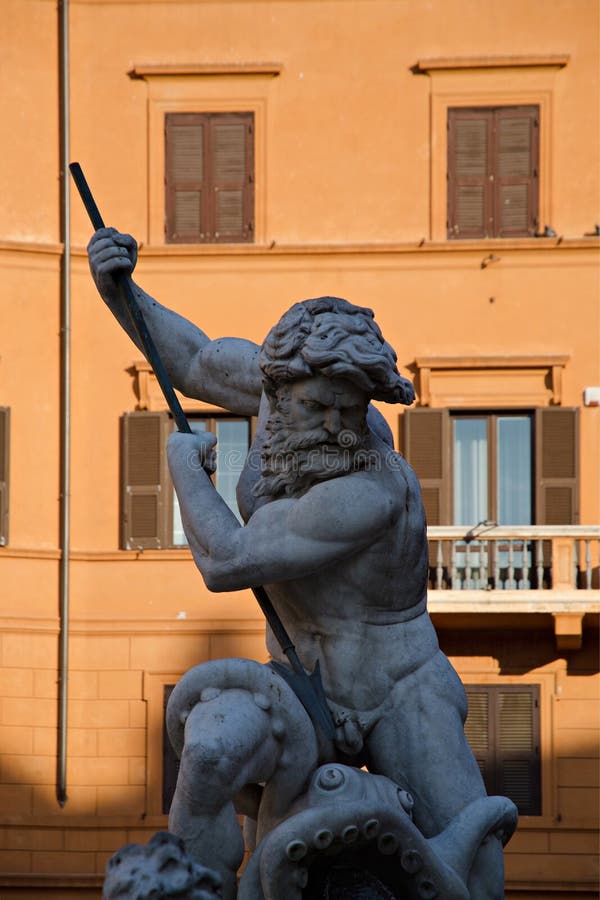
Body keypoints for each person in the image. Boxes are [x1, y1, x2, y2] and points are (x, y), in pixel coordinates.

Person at [88, 228, 509, 900]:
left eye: (352, 410)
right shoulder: (271, 386)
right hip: (301, 684)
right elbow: (192, 360)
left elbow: (226, 561)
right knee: (208, 754)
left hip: (400, 688)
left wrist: (183, 472)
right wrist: (120, 290)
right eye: (317, 407)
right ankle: (199, 886)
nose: (337, 427)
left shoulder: (369, 488)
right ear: (277, 391)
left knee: (478, 880)